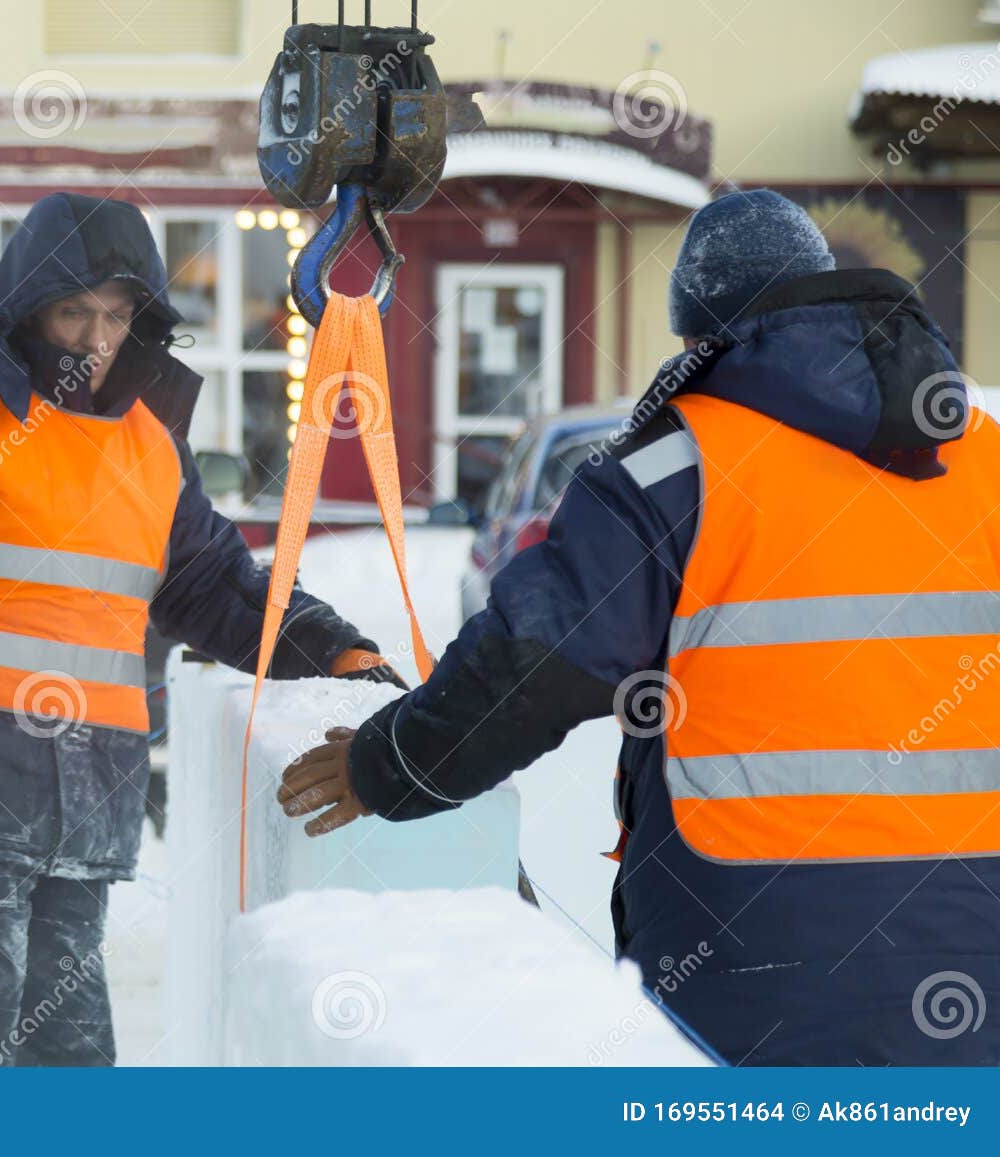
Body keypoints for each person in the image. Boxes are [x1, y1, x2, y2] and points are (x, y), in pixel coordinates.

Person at [279, 189, 1000, 1066]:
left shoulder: (676, 464)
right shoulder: (983, 457)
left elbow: (537, 658)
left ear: (701, 338)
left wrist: (392, 763)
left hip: (755, 961)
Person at [0, 192, 399, 1066]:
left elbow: (215, 586)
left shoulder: (152, 442)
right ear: (25, 311)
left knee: (72, 1054)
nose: (96, 339)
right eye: (74, 312)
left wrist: (327, 649)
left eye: (118, 316)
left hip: (88, 805)